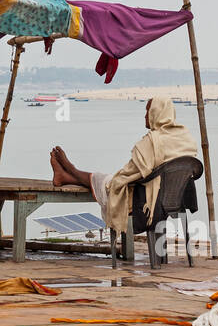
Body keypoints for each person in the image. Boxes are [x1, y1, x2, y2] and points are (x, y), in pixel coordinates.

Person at [49, 98, 199, 233]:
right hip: (176, 200)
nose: (145, 116)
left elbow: (125, 175)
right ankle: (65, 177)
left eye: (147, 111)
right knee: (107, 180)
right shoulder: (185, 138)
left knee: (105, 180)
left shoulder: (151, 142)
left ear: (155, 113)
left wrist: (117, 178)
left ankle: (70, 169)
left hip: (143, 203)